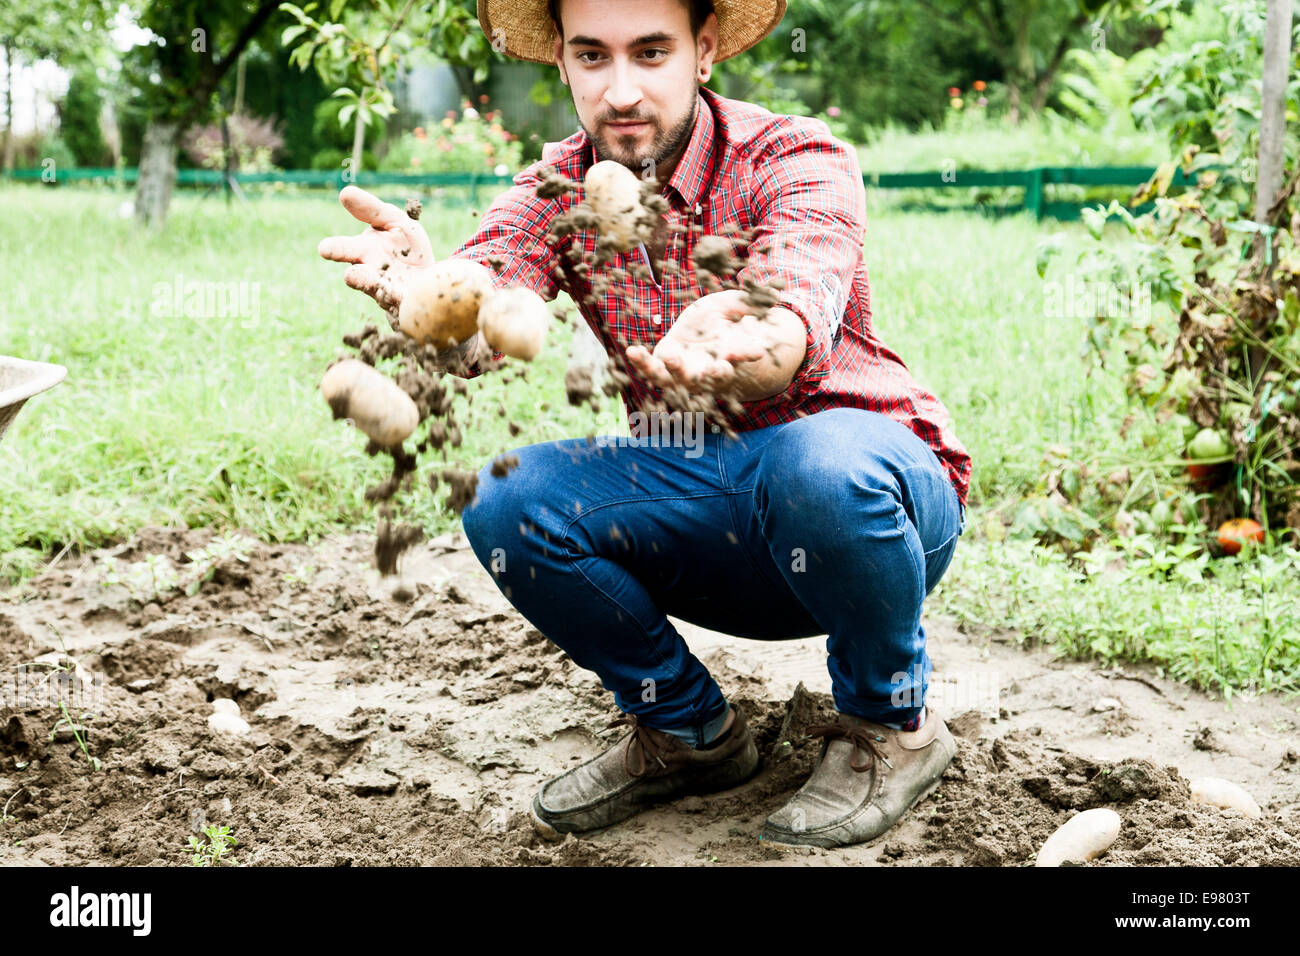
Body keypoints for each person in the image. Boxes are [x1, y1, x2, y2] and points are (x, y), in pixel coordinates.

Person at [318, 0, 972, 850]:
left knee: (818, 465)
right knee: (505, 501)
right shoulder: (556, 186)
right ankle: (690, 733)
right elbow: (492, 288)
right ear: (562, 63)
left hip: (869, 504)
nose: (621, 90)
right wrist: (435, 299)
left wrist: (747, 335)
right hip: (705, 509)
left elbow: (797, 307)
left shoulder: (793, 154)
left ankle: (891, 726)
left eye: (651, 52)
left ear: (703, 51)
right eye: (593, 56)